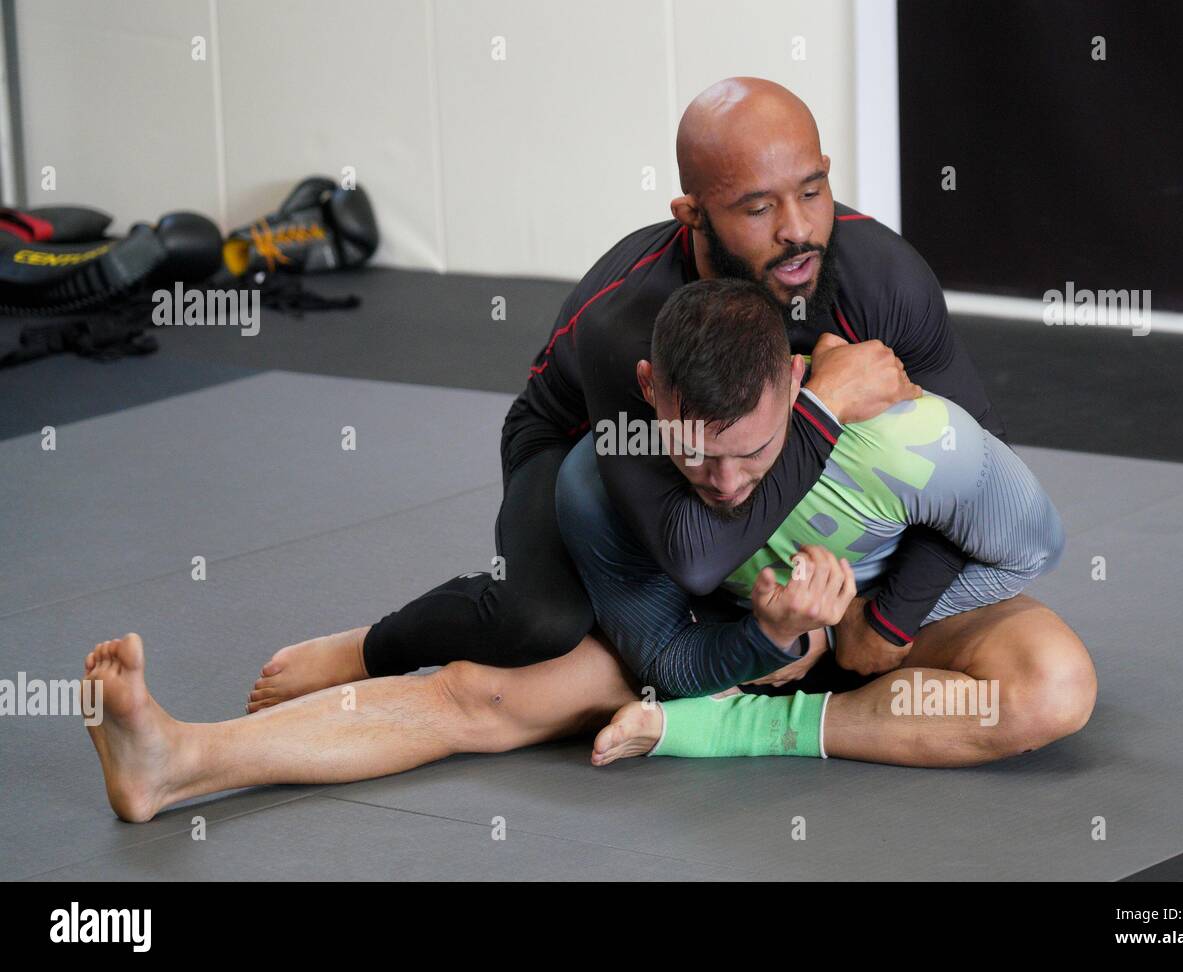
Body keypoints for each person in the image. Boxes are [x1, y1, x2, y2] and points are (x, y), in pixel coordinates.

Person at [246, 76, 996, 713]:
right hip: (588, 443)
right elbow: (693, 555)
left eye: (813, 189)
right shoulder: (631, 327)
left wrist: (888, 623)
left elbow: (980, 473)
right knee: (542, 623)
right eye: (759, 208)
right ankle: (373, 646)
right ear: (692, 216)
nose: (799, 231)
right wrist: (823, 407)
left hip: (761, 452)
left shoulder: (883, 278)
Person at [548, 277, 1093, 767]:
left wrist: (854, 627)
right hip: (728, 648)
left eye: (754, 451)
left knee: (1054, 686)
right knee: (493, 701)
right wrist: (770, 634)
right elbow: (666, 661)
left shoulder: (904, 438)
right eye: (693, 452)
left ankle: (743, 730)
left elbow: (1034, 550)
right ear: (648, 388)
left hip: (892, 628)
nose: (725, 481)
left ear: (794, 381)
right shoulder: (598, 483)